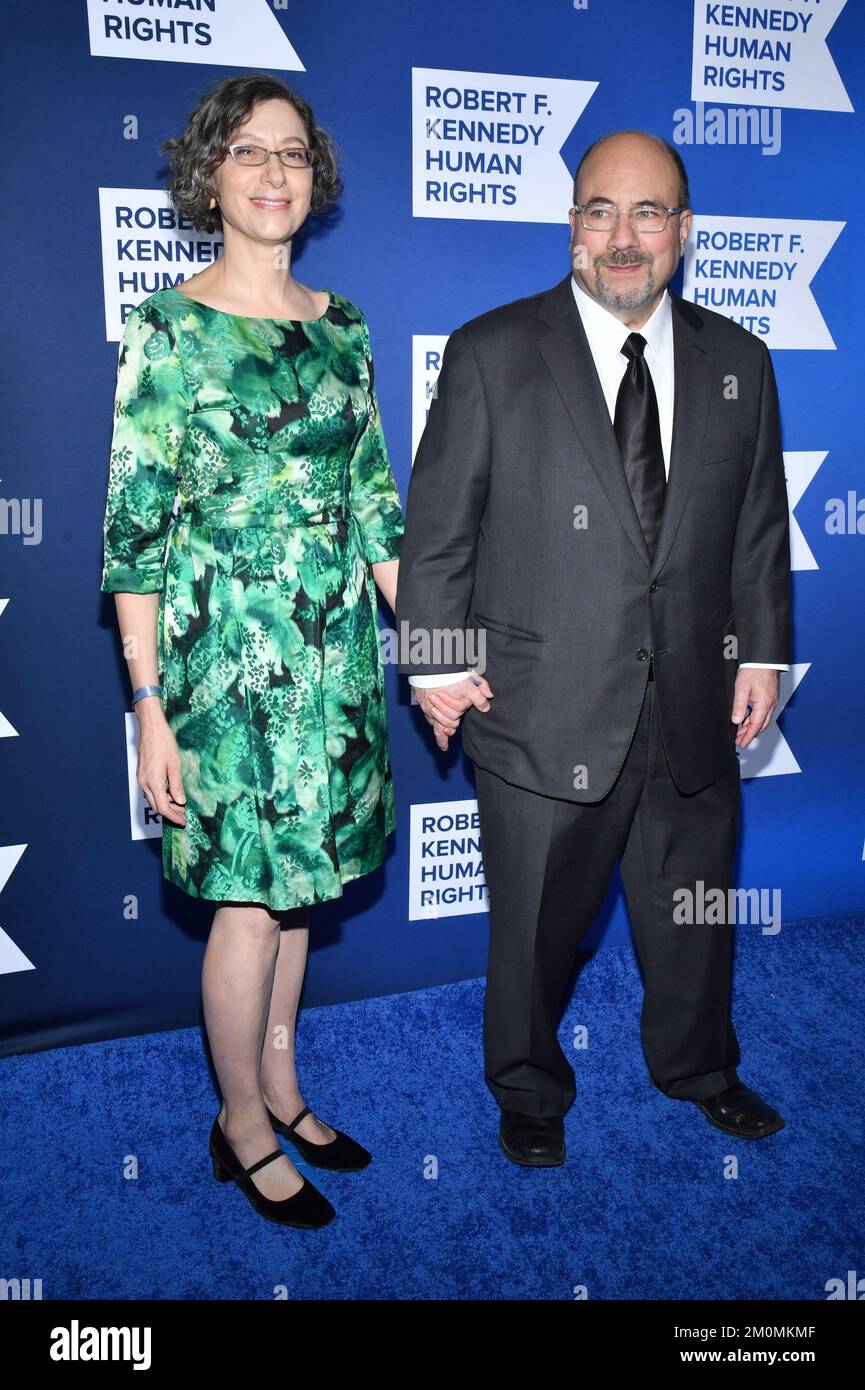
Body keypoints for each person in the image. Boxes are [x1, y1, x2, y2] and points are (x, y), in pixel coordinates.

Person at [396, 129, 791, 1166]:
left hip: (695, 702)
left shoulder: (738, 363)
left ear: (684, 230)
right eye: (600, 212)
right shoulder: (491, 353)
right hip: (538, 701)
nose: (623, 237)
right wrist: (435, 663)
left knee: (694, 912)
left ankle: (697, 1064)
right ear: (571, 226)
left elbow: (756, 528)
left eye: (648, 212)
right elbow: (436, 531)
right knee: (530, 925)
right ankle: (528, 1086)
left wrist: (762, 656)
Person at [100, 74, 406, 1226]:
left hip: (331, 670)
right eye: (247, 153)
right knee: (244, 903)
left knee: (296, 904)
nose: (274, 173)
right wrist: (148, 706)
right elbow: (132, 538)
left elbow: (379, 516)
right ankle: (236, 1124)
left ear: (314, 177)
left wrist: (427, 653)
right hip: (221, 674)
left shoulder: (345, 328)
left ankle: (280, 1080)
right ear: (209, 178)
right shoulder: (168, 330)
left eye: (292, 153)